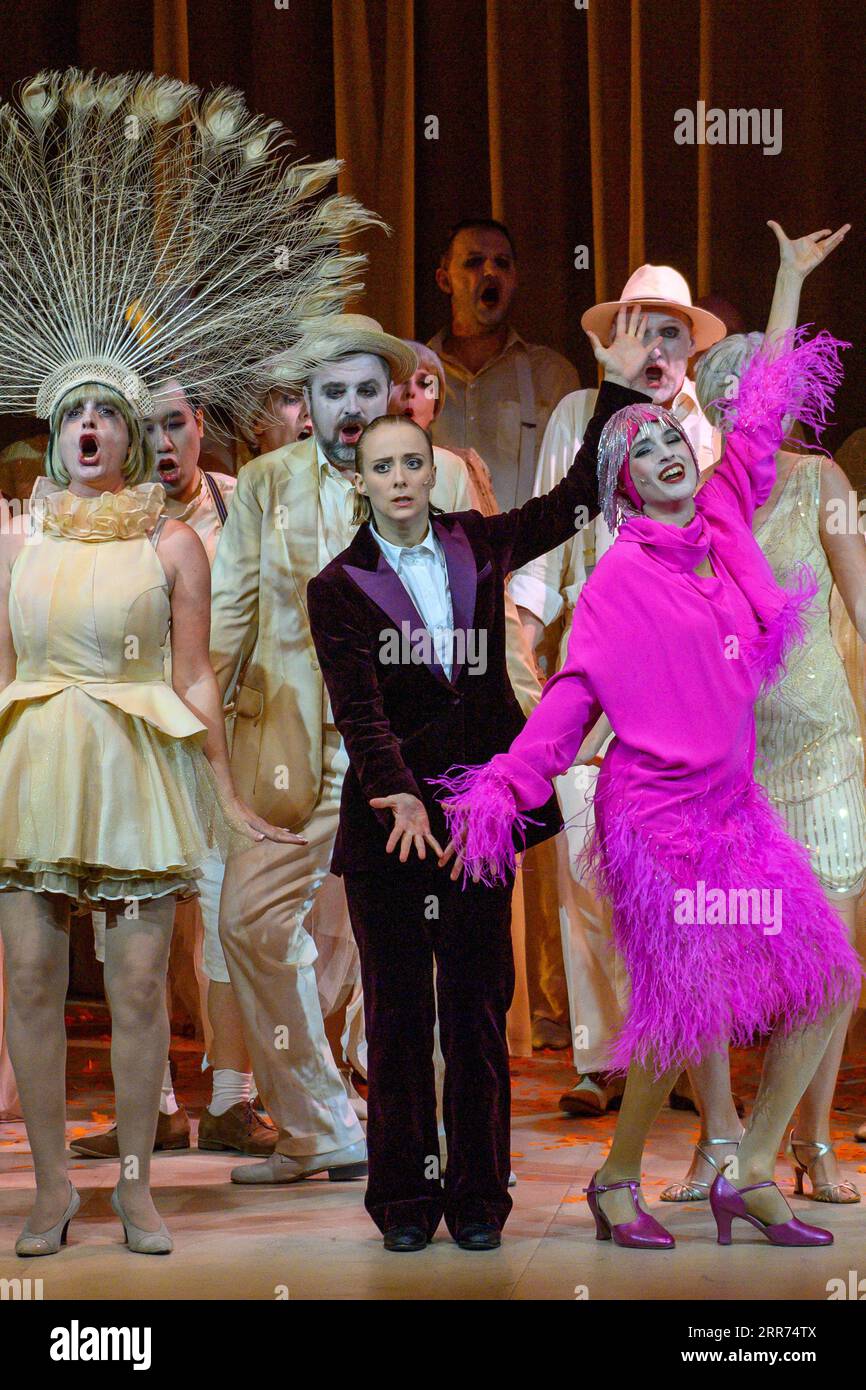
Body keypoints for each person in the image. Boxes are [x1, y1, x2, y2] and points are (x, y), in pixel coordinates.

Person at [0, 66, 379, 1255]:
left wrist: (218, 795)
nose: (97, 429)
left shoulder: (174, 542)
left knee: (130, 985)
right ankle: (56, 1187)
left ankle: (132, 1186)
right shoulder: (15, 532)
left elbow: (200, 676)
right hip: (36, 764)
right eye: (78, 417)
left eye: (111, 412)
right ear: (55, 435)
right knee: (22, 978)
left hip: (136, 768)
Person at [437, 314, 861, 1250]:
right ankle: (617, 1177)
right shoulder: (619, 580)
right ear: (621, 481)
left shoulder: (718, 532)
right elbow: (573, 699)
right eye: (643, 446)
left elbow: (755, 426)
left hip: (735, 817)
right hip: (656, 823)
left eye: (673, 436)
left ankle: (749, 1168)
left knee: (829, 978)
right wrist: (505, 788)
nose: (666, 448)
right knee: (679, 1009)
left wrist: (788, 283)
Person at [308, 315, 655, 1252]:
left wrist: (614, 383)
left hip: (480, 818)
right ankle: (404, 1202)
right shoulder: (339, 587)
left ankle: (476, 1198)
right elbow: (361, 710)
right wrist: (400, 794)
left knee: (474, 1012)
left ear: (434, 471)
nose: (400, 479)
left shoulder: (476, 544)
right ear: (362, 479)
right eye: (382, 467)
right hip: (391, 825)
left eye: (412, 463)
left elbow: (579, 498)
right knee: (398, 1016)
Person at [209, 314, 485, 1185]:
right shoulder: (265, 484)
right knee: (250, 923)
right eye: (334, 393)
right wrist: (203, 724)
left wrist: (496, 742)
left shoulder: (433, 473)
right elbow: (230, 616)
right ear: (308, 403)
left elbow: (479, 601)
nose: (353, 408)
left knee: (422, 937)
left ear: (395, 395)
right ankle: (319, 1124)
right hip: (295, 746)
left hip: (407, 754)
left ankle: (440, 1139)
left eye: (369, 390)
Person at [660, 220, 865, 1206]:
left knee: (828, 967)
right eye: (733, 394)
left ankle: (804, 1146)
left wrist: (785, 276)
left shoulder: (822, 483)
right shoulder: (701, 502)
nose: (754, 406)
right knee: (707, 953)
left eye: (764, 389)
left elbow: (861, 608)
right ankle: (722, 1141)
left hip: (820, 749)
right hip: (727, 761)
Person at [509, 265, 726, 1112]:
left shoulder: (711, 435)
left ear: (692, 352)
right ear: (618, 342)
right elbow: (550, 538)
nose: (659, 349)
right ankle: (604, 1058)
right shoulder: (581, 418)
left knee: (687, 891)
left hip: (694, 696)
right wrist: (522, 654)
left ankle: (674, 1054)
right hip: (597, 684)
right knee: (592, 877)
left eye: (674, 332)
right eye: (645, 330)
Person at [72, 379, 279, 1160]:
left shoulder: (240, 504)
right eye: (146, 427)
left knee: (229, 923)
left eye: (175, 425)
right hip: (129, 748)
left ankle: (232, 1101)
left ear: (200, 429)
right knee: (128, 932)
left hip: (219, 744)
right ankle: (151, 1106)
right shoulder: (105, 519)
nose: (163, 443)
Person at [392, 338, 570, 1050]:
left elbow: (494, 621)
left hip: (464, 741)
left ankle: (469, 1121)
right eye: (397, 383)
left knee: (471, 944)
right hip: (379, 747)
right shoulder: (335, 495)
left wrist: (525, 733)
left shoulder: (463, 482)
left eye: (425, 383)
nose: (411, 395)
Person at [429, 219, 580, 509]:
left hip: (526, 553)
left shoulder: (553, 375)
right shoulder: (410, 375)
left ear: (515, 278)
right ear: (444, 280)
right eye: (473, 262)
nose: (490, 272)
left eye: (502, 263)